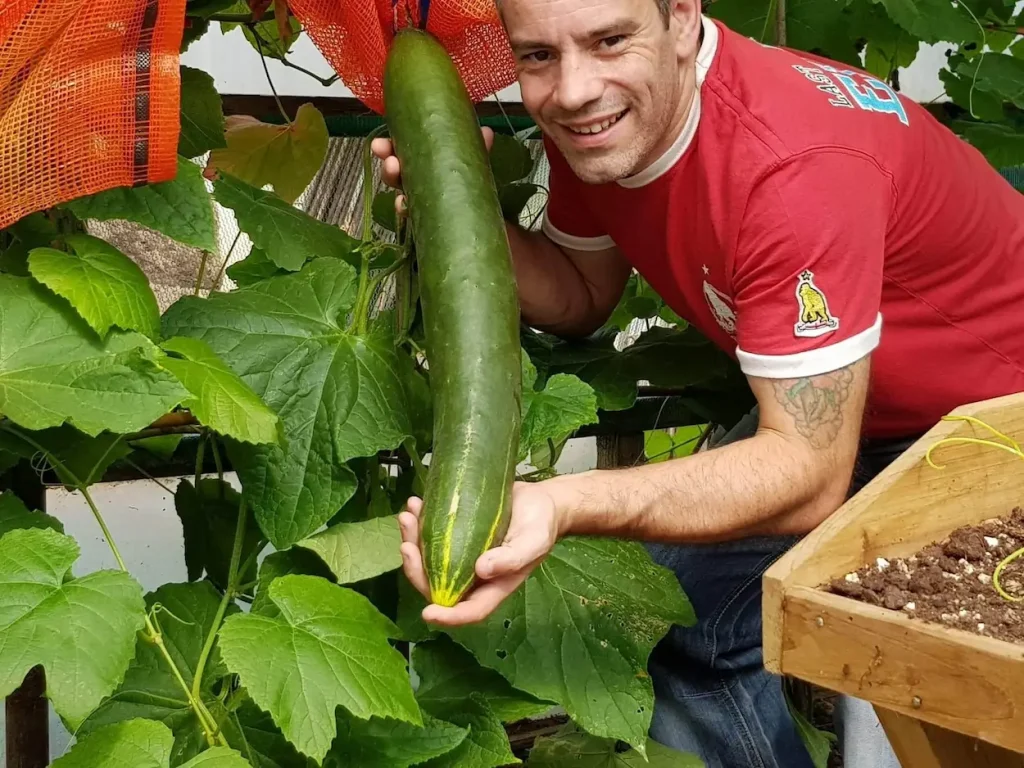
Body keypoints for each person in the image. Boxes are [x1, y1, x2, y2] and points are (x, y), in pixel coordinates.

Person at [371, 0, 1024, 765]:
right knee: (678, 621)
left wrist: (559, 502)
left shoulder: (792, 168)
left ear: (682, 18)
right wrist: (465, 210)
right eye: (538, 56)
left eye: (609, 40)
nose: (574, 89)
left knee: (894, 672)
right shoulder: (611, 124)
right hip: (862, 416)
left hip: (993, 424)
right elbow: (582, 294)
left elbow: (809, 476)